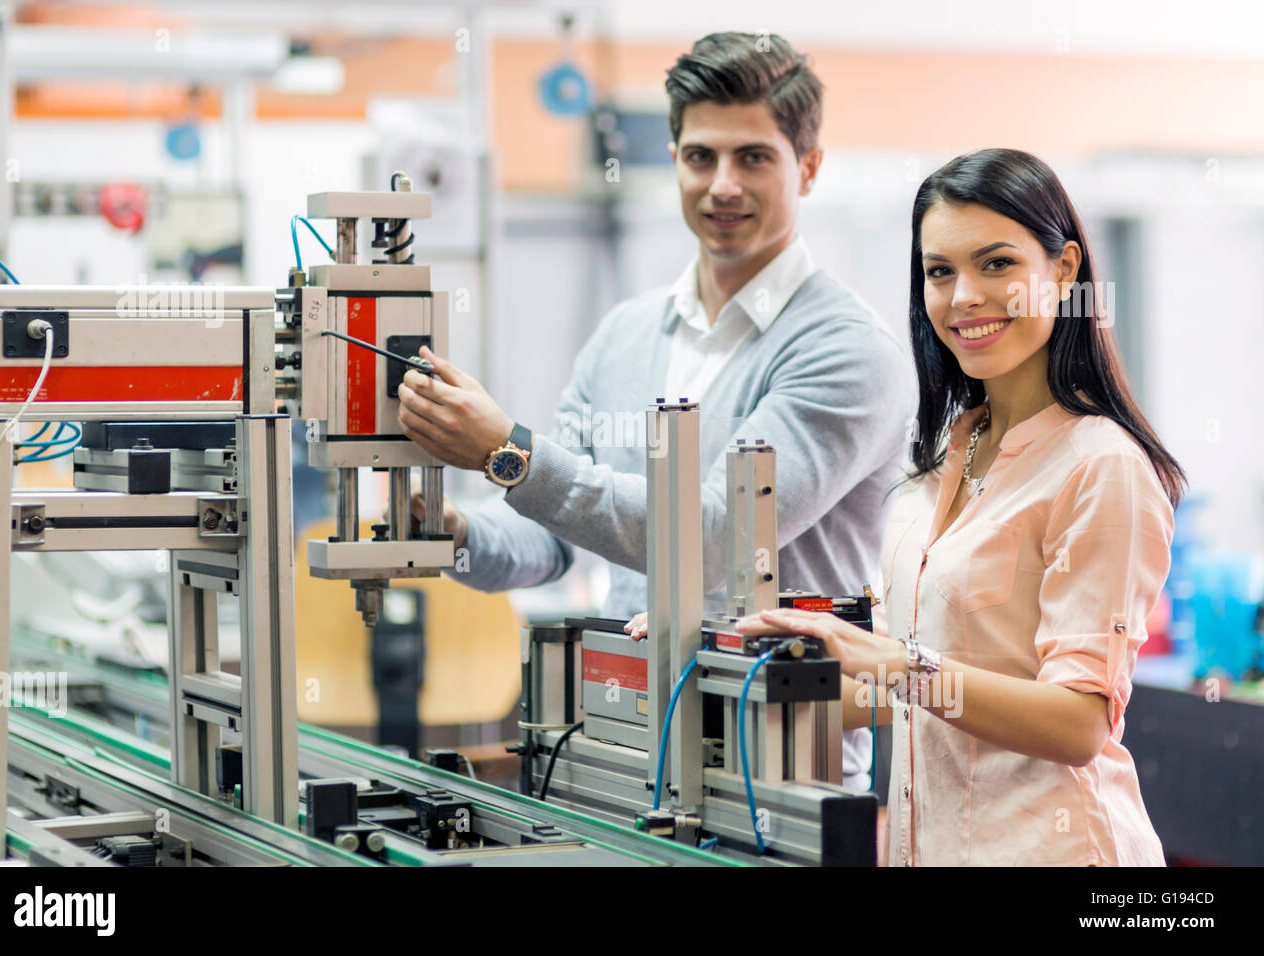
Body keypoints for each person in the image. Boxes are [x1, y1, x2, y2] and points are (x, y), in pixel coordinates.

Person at [394, 32, 914, 792]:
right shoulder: (627, 334)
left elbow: (718, 537)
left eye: (754, 157)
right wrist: (450, 532)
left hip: (781, 773)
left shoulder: (846, 352)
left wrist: (509, 453)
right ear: (672, 159)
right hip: (624, 748)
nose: (722, 185)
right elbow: (553, 536)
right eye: (700, 156)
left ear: (808, 166)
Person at [738, 147, 1185, 865]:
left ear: (1064, 270)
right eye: (939, 272)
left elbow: (1078, 722)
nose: (963, 296)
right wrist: (733, 665)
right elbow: (920, 695)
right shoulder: (950, 452)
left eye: (997, 264)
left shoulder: (1101, 465)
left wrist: (895, 667)